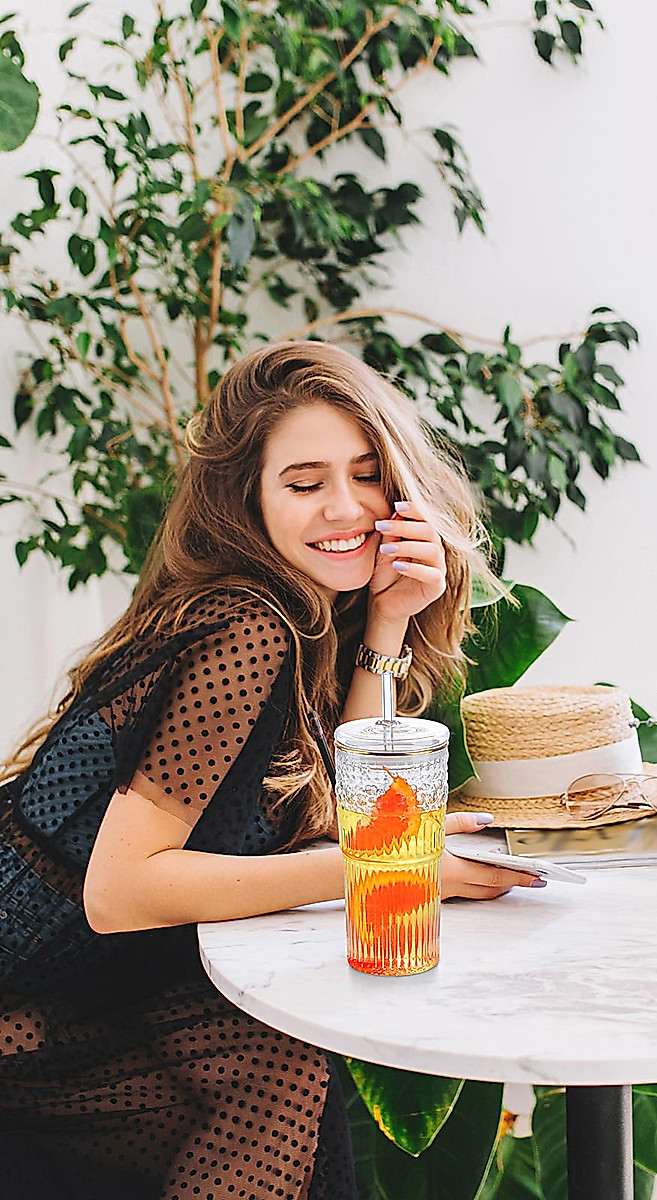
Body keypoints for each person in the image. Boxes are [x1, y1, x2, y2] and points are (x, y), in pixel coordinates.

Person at [0, 340, 542, 1200]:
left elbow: (338, 810)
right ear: (247, 500)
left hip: (98, 988)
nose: (347, 507)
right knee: (279, 1075)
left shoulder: (303, 619)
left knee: (281, 1064)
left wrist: (391, 621)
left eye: (369, 474)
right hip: (33, 999)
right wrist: (393, 869)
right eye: (304, 483)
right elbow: (120, 891)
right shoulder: (244, 627)